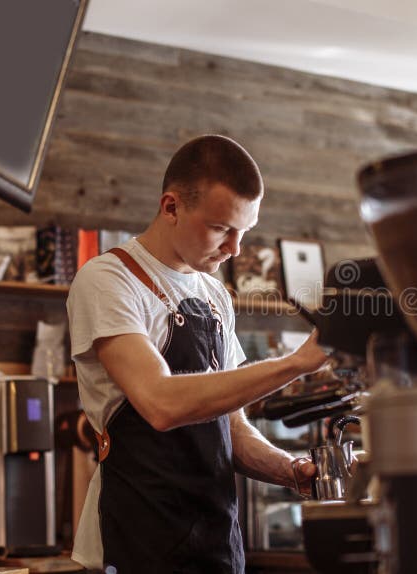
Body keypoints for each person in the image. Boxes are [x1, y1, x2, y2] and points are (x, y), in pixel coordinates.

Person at [66, 134, 329, 573]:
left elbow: (230, 430)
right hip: (139, 540)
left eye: (244, 232)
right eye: (222, 228)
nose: (235, 250)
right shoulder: (109, 279)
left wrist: (291, 471)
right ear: (171, 207)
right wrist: (296, 363)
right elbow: (160, 403)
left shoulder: (214, 295)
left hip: (216, 543)